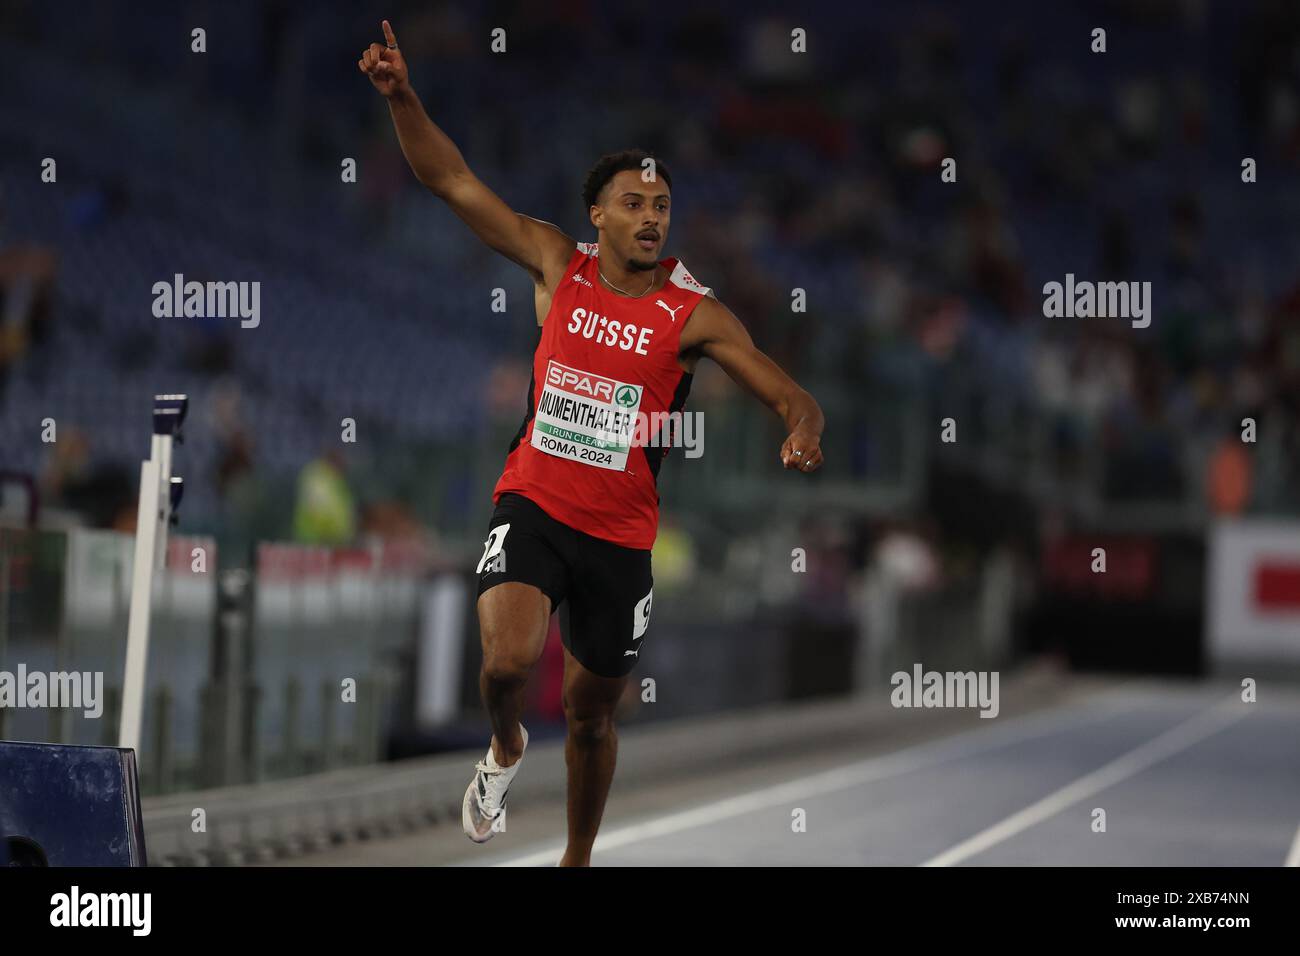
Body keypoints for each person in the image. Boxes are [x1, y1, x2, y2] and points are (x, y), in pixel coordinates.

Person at [360, 20, 825, 866]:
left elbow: (782, 388)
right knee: (505, 664)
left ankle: (576, 856)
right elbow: (452, 180)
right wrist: (402, 96)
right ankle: (503, 749)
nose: (652, 220)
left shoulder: (693, 313)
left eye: (662, 208)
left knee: (590, 713)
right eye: (635, 206)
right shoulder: (554, 265)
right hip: (533, 499)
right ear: (598, 214)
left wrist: (803, 426)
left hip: (620, 535)